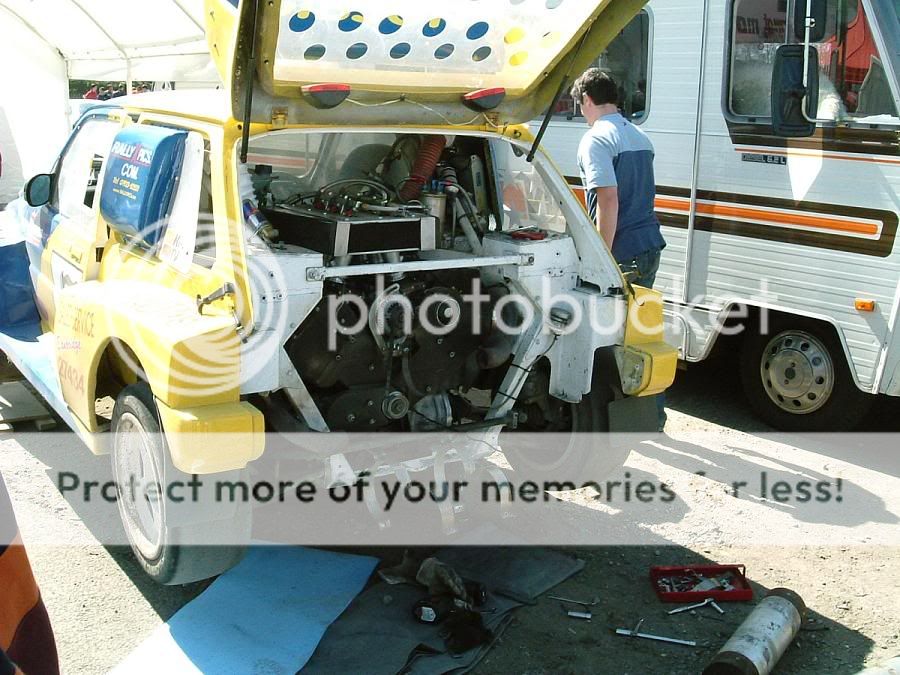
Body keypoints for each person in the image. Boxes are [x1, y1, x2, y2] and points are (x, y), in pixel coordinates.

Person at [572, 68, 667, 430]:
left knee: (610, 341)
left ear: (587, 100)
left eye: (579, 105)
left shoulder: (596, 139)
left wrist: (603, 257)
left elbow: (608, 199)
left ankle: (626, 422)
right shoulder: (640, 136)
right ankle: (654, 416)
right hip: (649, 245)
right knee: (642, 335)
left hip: (621, 251)